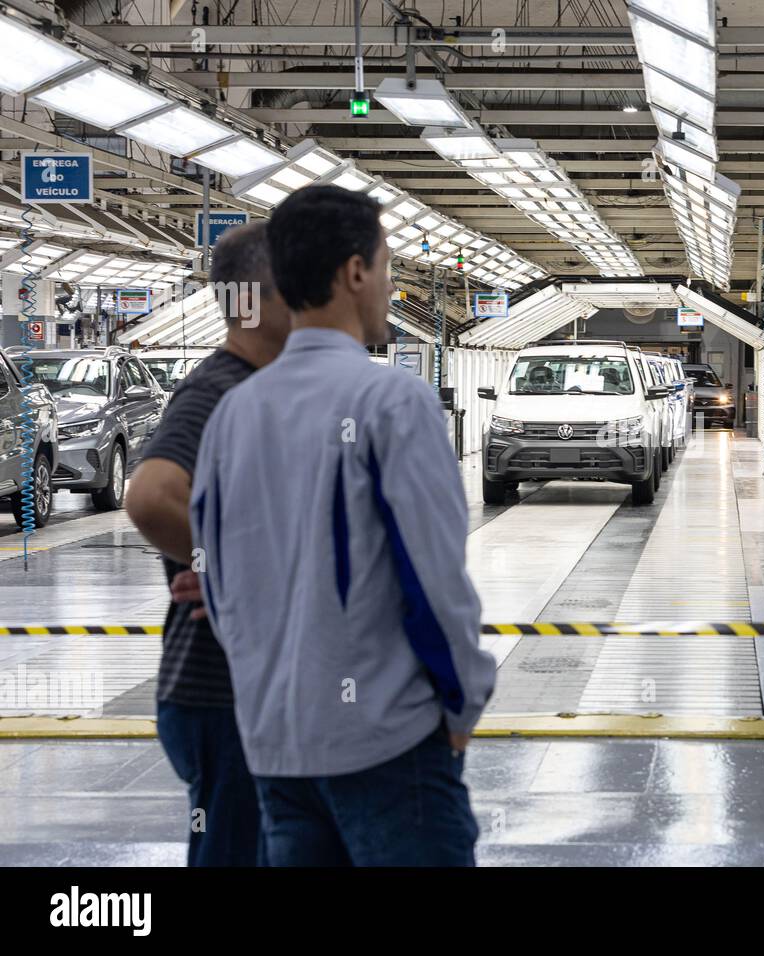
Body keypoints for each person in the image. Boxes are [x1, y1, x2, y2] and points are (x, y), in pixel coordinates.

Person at [189, 184, 495, 867]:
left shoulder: (234, 414)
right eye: (387, 267)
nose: (390, 287)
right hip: (387, 747)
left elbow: (217, 584)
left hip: (276, 749)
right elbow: (434, 578)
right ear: (355, 273)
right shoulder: (391, 400)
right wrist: (461, 703)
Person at [124, 222, 292, 866]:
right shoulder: (218, 388)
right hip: (221, 686)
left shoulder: (269, 389)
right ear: (265, 297)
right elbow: (150, 496)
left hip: (253, 683)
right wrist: (238, 572)